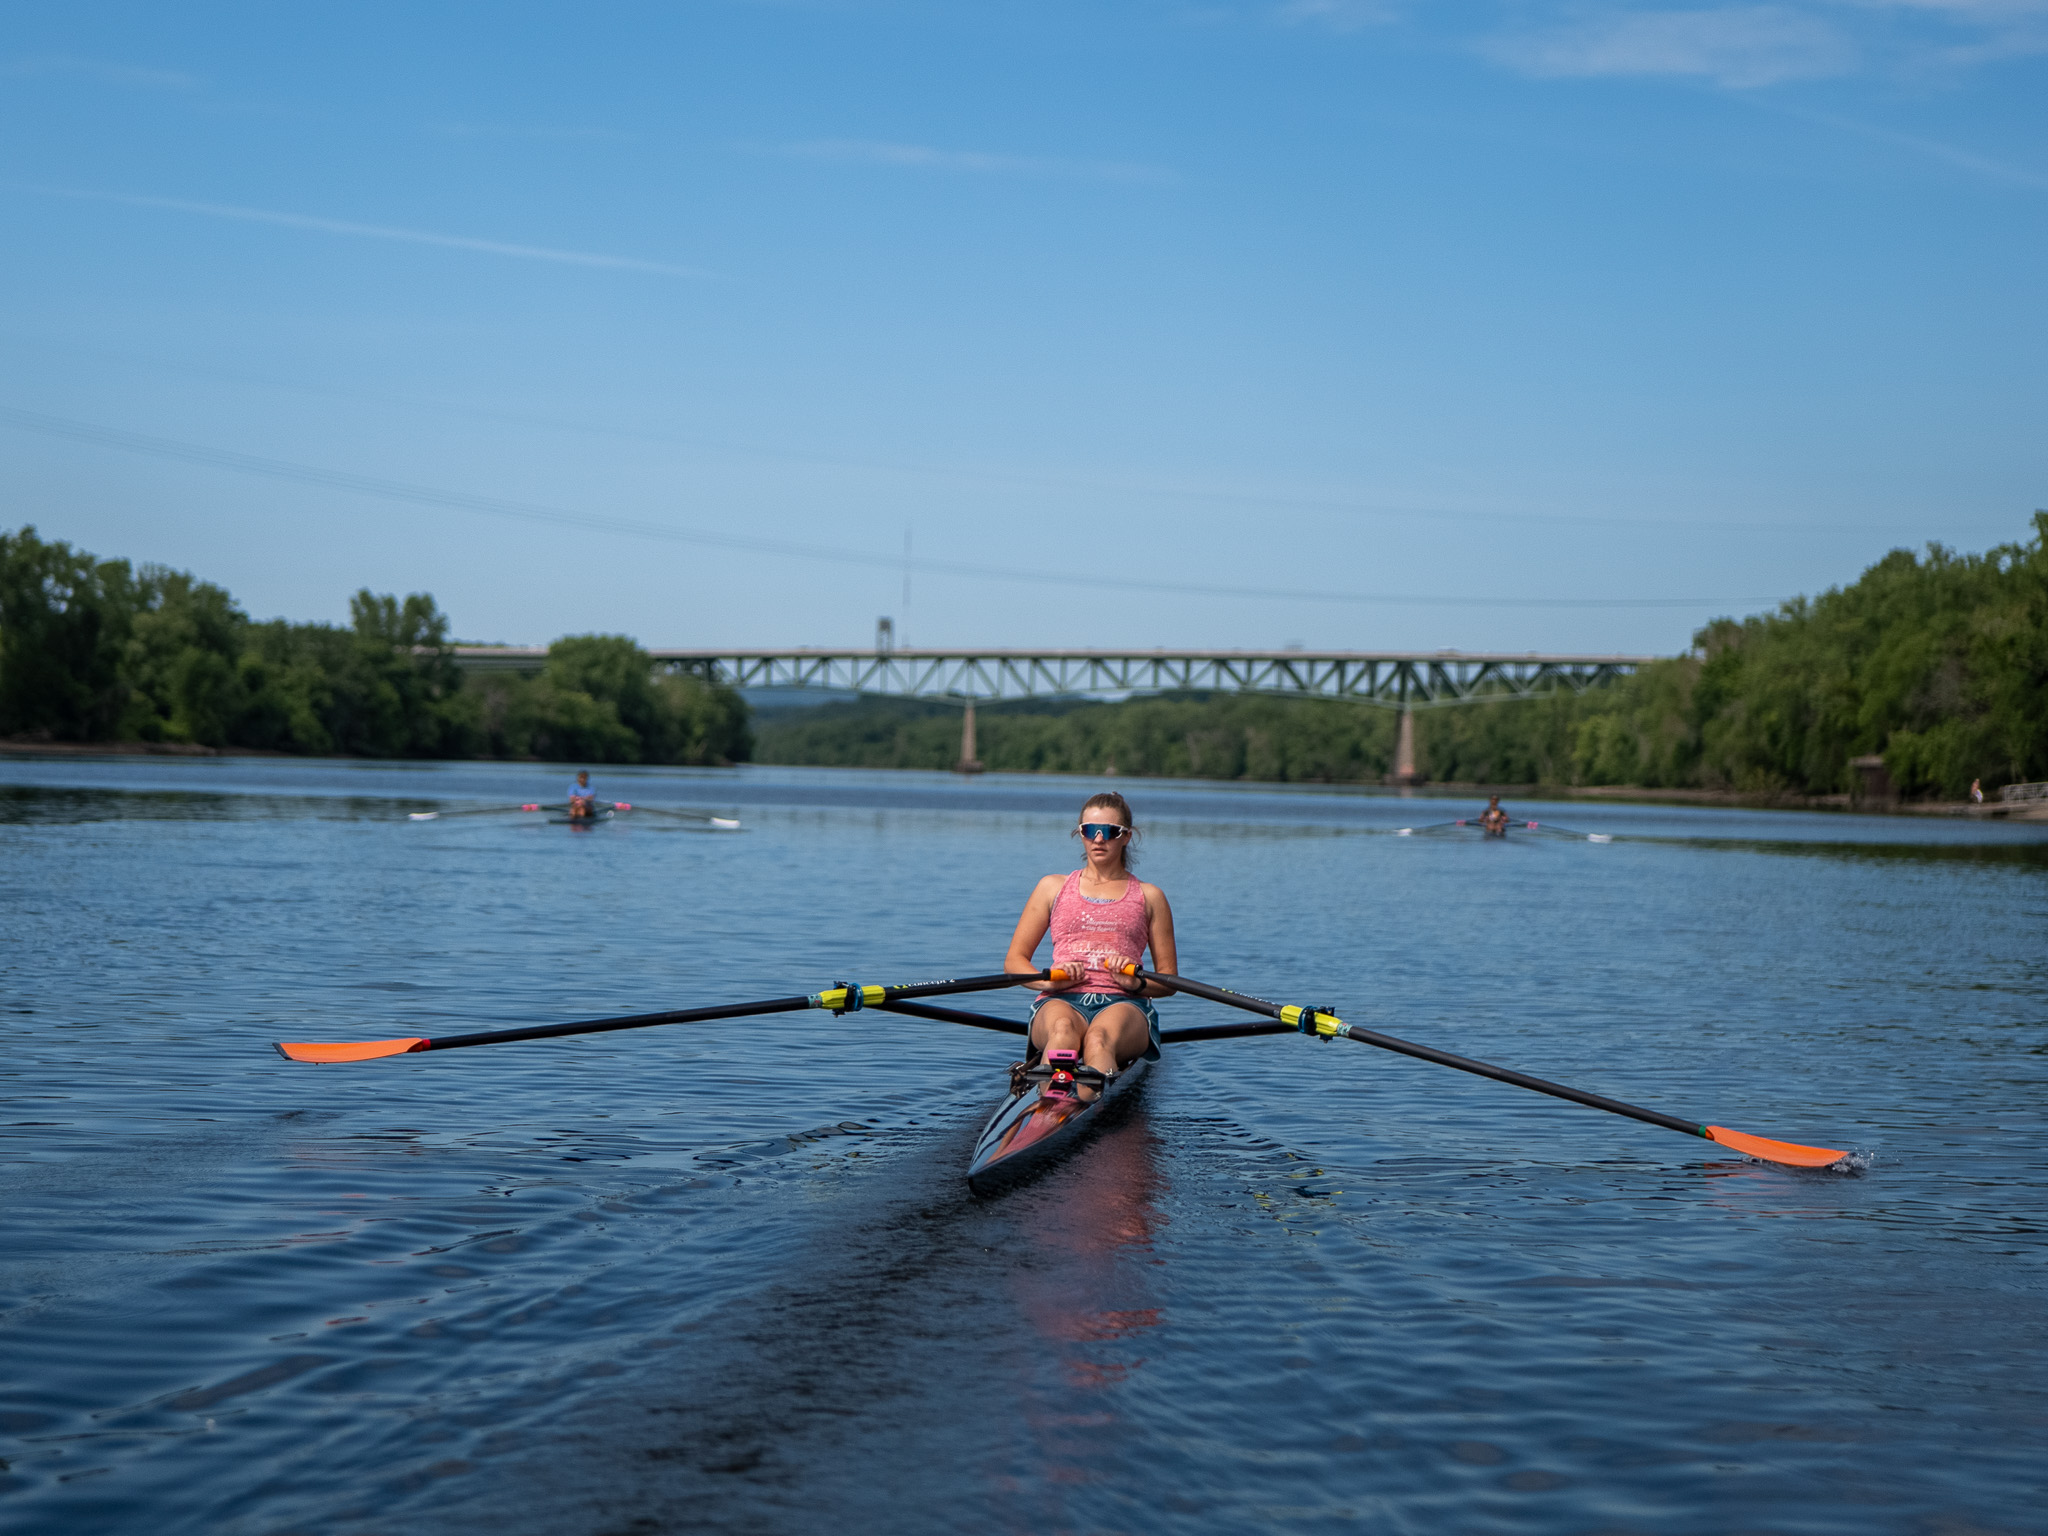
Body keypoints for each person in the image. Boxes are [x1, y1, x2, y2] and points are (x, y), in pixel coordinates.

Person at [1005, 791, 1178, 1087]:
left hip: (1124, 1004)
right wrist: (1048, 982)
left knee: (1099, 1040)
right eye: (1089, 831)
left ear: (1126, 837)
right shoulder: (1052, 887)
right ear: (1080, 834)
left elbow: (1168, 981)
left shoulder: (1150, 897)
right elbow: (1014, 961)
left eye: (1109, 832)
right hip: (1060, 1000)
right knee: (1062, 1032)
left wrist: (1134, 983)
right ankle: (1050, 1109)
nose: (1099, 839)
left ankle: (1087, 1102)